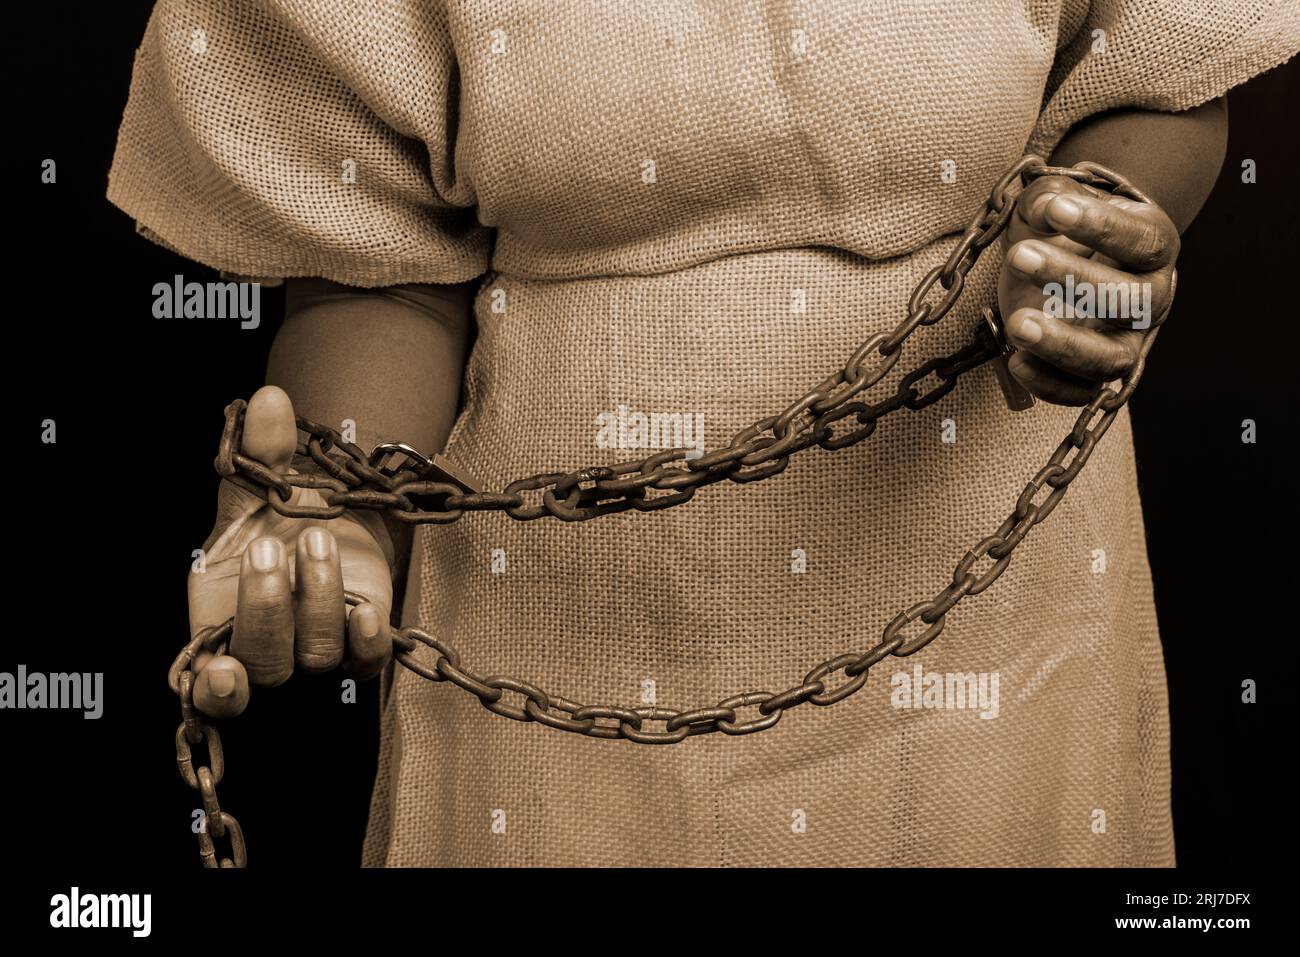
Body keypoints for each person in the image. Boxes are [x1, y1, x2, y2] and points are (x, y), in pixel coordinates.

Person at [109, 1, 1298, 866]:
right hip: (558, 630)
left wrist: (1092, 238)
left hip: (995, 612)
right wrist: (332, 504)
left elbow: (1152, 67)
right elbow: (374, 252)